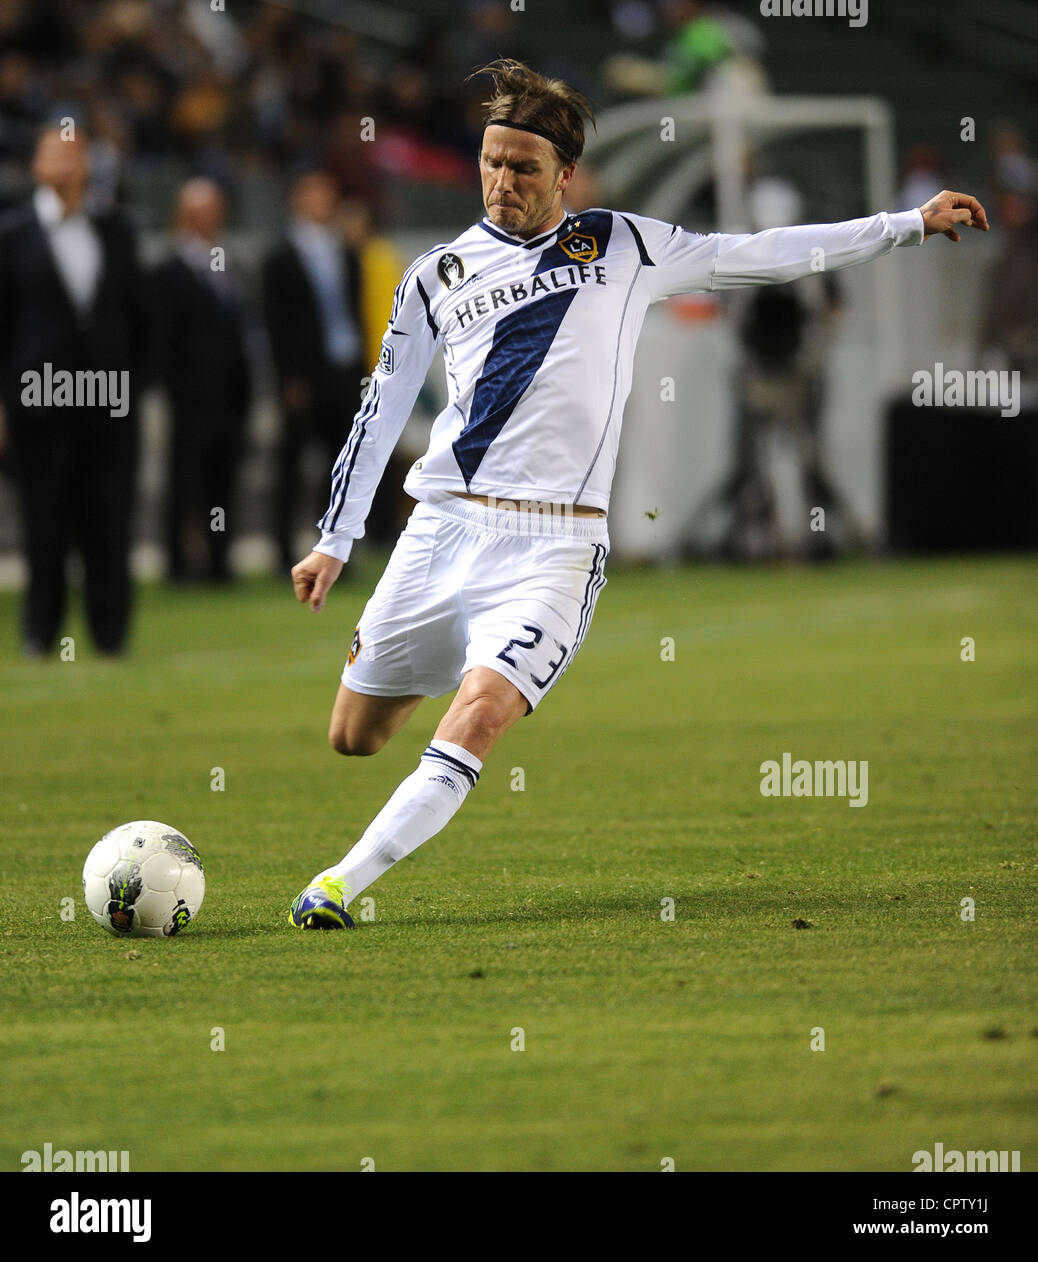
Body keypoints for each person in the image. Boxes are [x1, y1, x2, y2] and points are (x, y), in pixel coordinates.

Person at [286, 58, 988, 930]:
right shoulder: (437, 274)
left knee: (480, 714)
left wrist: (905, 224)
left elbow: (757, 255)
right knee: (353, 735)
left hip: (553, 549)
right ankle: (458, 654)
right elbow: (382, 407)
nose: (503, 182)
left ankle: (338, 885)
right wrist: (336, 538)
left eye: (525, 168)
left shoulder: (621, 244)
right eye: (492, 163)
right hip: (443, 531)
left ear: (566, 177)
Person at [0, 125, 148, 657]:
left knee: (108, 519)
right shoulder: (12, 234)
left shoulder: (116, 229)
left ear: (88, 164)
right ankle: (41, 633)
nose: (64, 165)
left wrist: (134, 389)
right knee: (44, 520)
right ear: (35, 166)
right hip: (38, 404)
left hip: (108, 403)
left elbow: (138, 317)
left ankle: (111, 635)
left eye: (73, 154)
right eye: (52, 154)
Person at [262, 172, 368, 573]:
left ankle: (335, 550)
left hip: (342, 369)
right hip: (304, 376)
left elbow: (354, 313)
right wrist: (288, 377)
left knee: (340, 466)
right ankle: (282, 549)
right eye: (314, 195)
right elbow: (276, 323)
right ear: (298, 201)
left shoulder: (345, 250)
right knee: (291, 462)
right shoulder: (281, 255)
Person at [151, 179, 251, 583]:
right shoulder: (169, 269)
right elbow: (164, 337)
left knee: (222, 480)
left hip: (229, 394)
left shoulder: (229, 264)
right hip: (190, 397)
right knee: (185, 480)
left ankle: (218, 560)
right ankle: (177, 561)